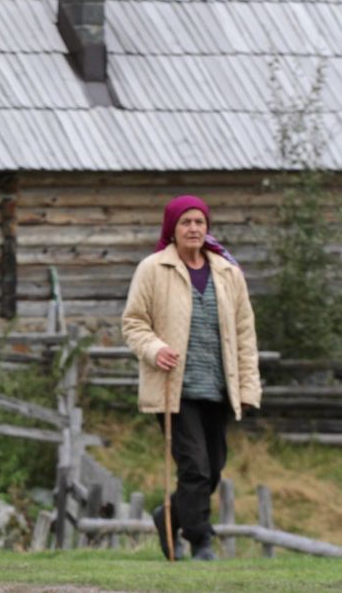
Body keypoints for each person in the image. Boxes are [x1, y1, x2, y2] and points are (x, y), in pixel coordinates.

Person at [122, 195, 261, 561]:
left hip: (218, 387)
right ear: (172, 228)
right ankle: (201, 540)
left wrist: (248, 388)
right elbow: (133, 322)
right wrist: (154, 349)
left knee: (212, 470)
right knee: (194, 466)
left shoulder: (229, 274)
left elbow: (245, 335)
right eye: (186, 222)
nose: (194, 228)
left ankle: (168, 515)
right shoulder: (154, 269)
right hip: (174, 388)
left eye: (200, 222)